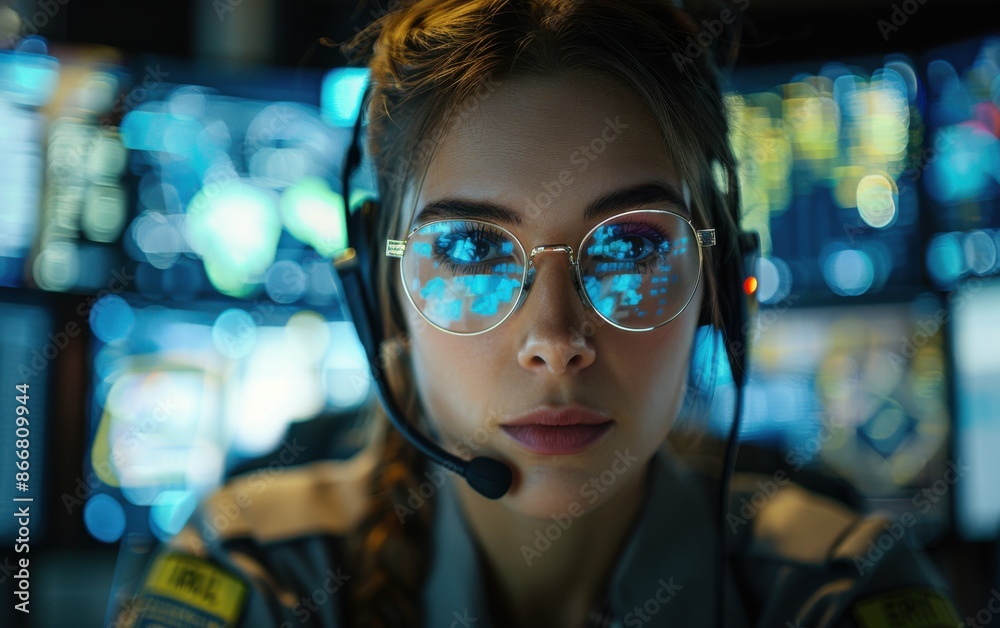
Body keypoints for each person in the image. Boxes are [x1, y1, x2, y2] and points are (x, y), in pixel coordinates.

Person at [112, 1, 963, 626]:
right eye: (475, 251)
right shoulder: (255, 575)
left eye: (629, 248)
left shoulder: (841, 591)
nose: (556, 343)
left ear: (718, 278)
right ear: (382, 293)